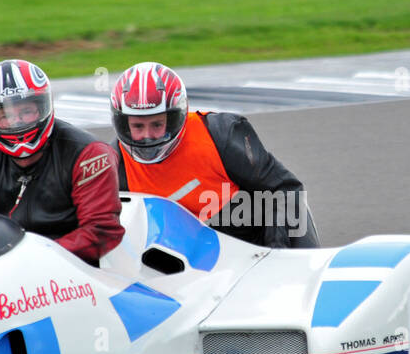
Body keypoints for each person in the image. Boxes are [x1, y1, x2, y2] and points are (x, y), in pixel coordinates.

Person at [0, 59, 123, 263]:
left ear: (43, 107)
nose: (17, 122)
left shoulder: (88, 154)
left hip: (71, 270)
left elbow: (101, 231)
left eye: (26, 112)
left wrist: (33, 260)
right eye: (5, 115)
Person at [110, 61, 319, 248]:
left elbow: (284, 188)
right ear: (123, 125)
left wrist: (279, 253)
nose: (148, 137)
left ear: (175, 118)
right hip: (183, 260)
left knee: (294, 210)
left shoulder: (221, 135)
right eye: (138, 126)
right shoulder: (115, 165)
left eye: (157, 124)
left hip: (253, 243)